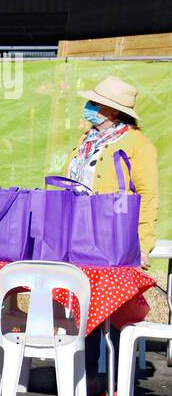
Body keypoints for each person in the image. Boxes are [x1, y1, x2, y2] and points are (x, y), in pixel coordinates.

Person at [64, 76, 160, 332]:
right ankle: (82, 361)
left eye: (95, 103)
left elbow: (148, 194)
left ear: (114, 110)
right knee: (79, 299)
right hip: (76, 234)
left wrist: (142, 243)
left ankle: (106, 367)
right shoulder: (86, 141)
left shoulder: (138, 144)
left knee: (108, 302)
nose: (88, 106)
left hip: (112, 236)